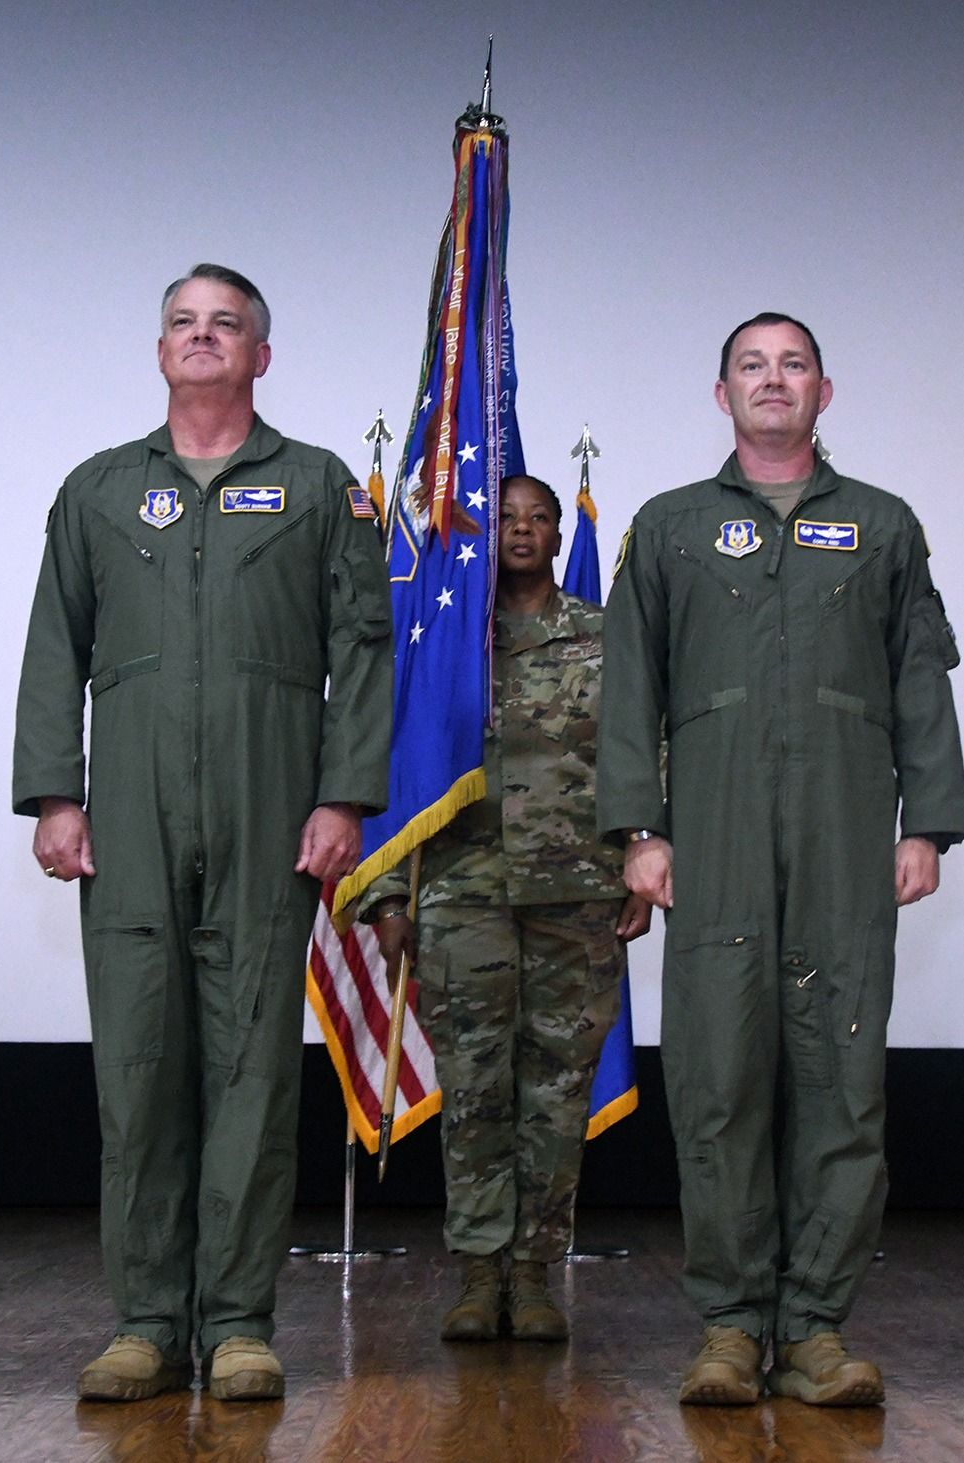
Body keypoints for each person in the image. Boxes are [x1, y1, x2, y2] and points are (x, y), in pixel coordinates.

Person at [12, 263, 392, 1403]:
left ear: (260, 356)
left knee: (250, 1074)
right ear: (160, 349)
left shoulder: (319, 486)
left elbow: (361, 652)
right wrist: (55, 794)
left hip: (270, 808)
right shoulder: (97, 490)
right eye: (183, 322)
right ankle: (142, 1321)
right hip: (127, 811)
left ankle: (234, 1323)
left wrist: (342, 796)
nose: (202, 337)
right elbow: (52, 650)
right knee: (137, 1072)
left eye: (226, 325)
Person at [597, 313, 964, 1407]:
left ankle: (811, 1327)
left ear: (823, 391)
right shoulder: (666, 528)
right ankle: (725, 1323)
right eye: (751, 366)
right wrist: (638, 828)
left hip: (847, 829)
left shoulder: (882, 524)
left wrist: (925, 823)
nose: (772, 380)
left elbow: (919, 681)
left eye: (790, 364)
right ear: (721, 395)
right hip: (706, 833)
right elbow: (629, 688)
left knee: (840, 1086)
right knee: (716, 1085)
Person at [363, 475, 651, 1342]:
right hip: (462, 895)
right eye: (505, 518)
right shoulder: (444, 641)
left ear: (560, 535)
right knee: (477, 1093)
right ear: (481, 534)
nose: (521, 531)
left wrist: (645, 861)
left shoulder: (607, 639)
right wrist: (383, 891)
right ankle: (477, 1272)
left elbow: (651, 753)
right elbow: (396, 760)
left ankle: (533, 1276)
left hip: (579, 897)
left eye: (538, 519)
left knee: (557, 1097)